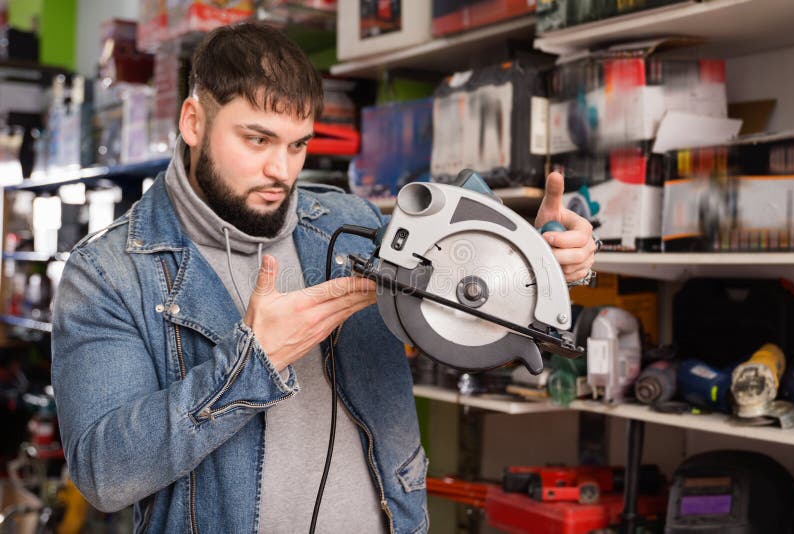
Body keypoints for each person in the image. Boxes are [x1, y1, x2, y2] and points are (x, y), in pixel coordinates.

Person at [51, 22, 597, 534]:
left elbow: (463, 306)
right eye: (257, 140)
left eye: (298, 145)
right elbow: (104, 476)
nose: (281, 171)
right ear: (193, 121)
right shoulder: (108, 273)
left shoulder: (351, 225)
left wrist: (535, 263)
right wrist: (249, 364)